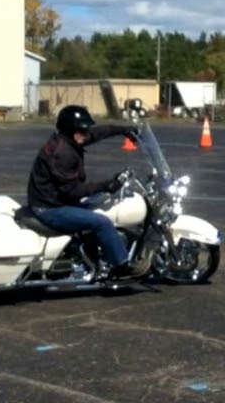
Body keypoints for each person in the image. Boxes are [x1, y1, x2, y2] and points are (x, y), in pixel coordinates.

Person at [26, 105, 140, 279]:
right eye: (82, 130)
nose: (86, 133)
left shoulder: (69, 139)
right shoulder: (63, 154)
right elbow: (73, 191)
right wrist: (107, 185)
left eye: (86, 129)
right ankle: (121, 266)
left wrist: (124, 130)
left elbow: (98, 132)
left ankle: (95, 257)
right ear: (70, 130)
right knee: (102, 222)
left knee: (98, 206)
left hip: (53, 200)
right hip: (50, 208)